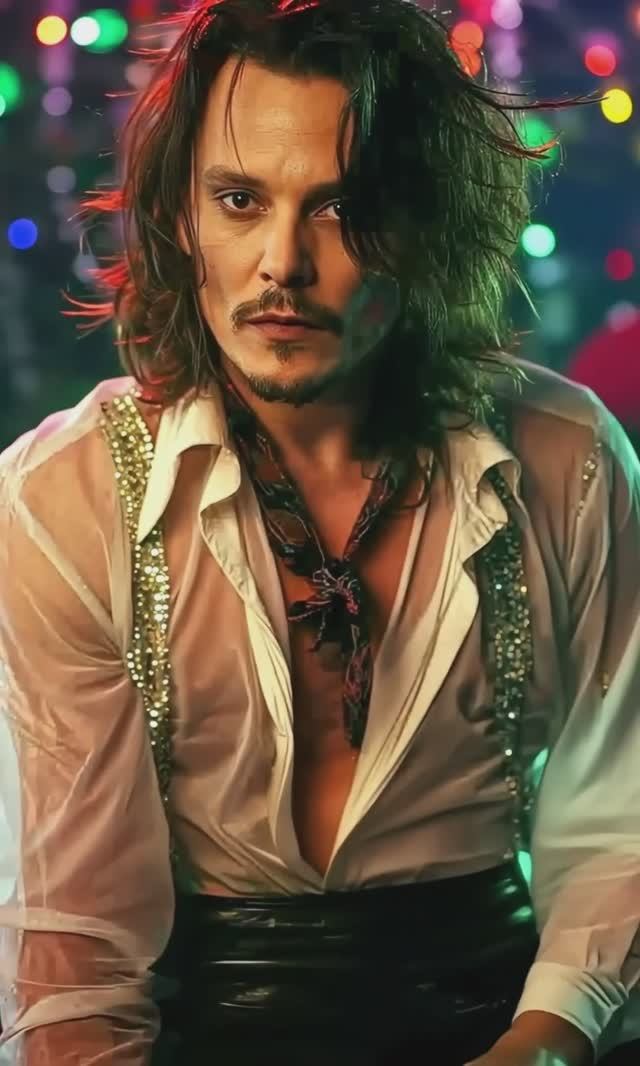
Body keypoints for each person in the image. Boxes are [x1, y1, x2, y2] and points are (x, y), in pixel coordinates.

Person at [0, 1, 639, 1063]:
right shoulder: (66, 499)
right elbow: (76, 954)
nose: (281, 263)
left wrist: (542, 1044)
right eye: (239, 200)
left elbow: (618, 824)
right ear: (182, 216)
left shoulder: (562, 461)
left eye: (342, 209)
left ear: (426, 225)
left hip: (501, 1013)